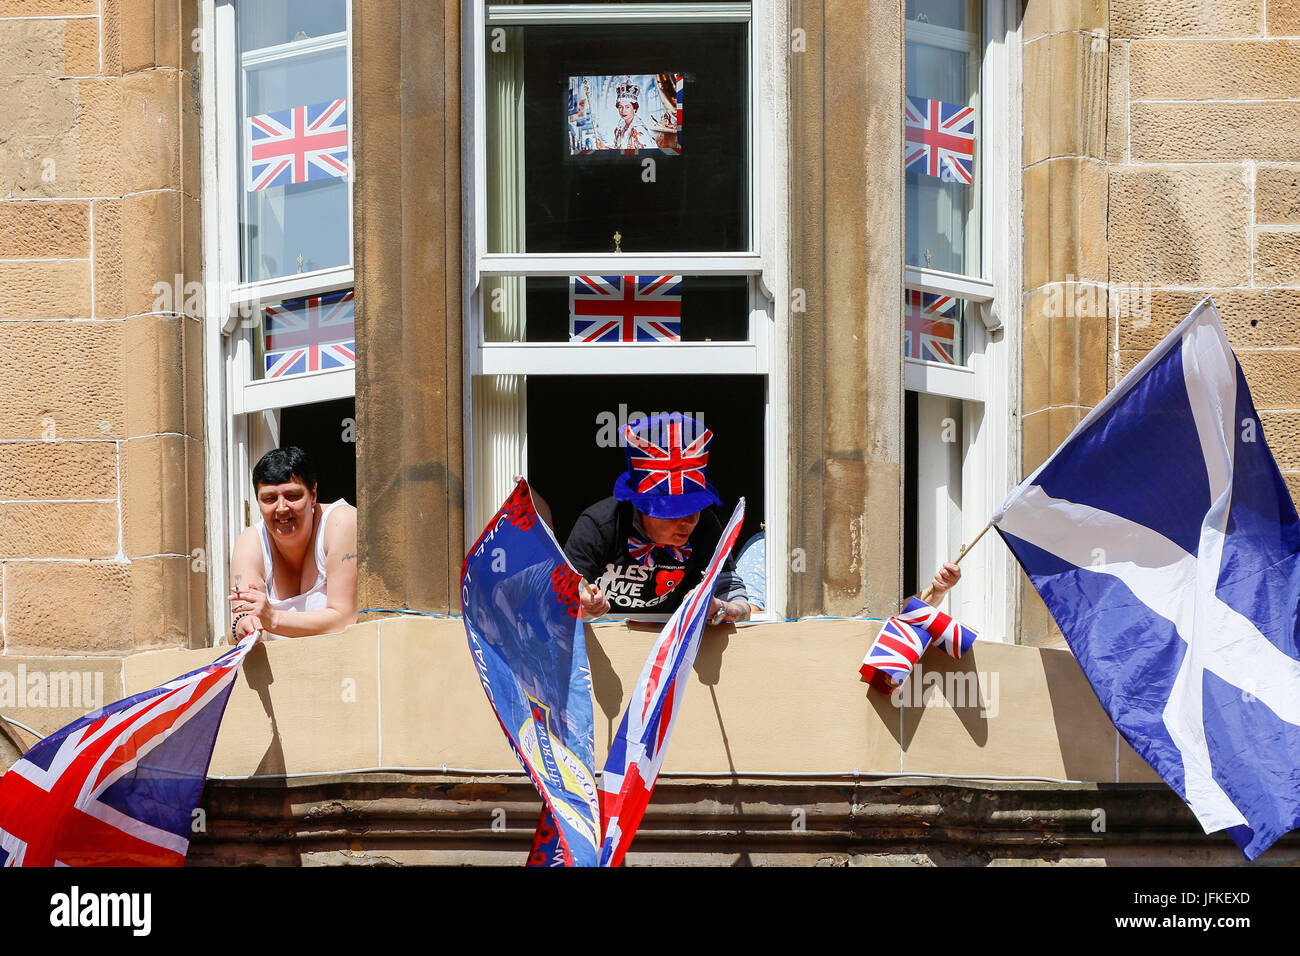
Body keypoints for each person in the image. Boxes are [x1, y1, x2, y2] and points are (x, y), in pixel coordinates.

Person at [565, 413, 756, 623]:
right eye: (675, 513)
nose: (690, 522)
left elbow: (737, 598)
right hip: (606, 643)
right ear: (644, 508)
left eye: (695, 509)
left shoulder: (705, 525)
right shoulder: (600, 525)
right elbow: (556, 600)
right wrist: (580, 605)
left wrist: (720, 608)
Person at [228, 446, 358, 641]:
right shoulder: (250, 541)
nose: (281, 508)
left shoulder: (341, 522)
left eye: (292, 496)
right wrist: (242, 627)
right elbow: (238, 624)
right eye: (270, 499)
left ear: (313, 495)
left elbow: (344, 619)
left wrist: (273, 619)